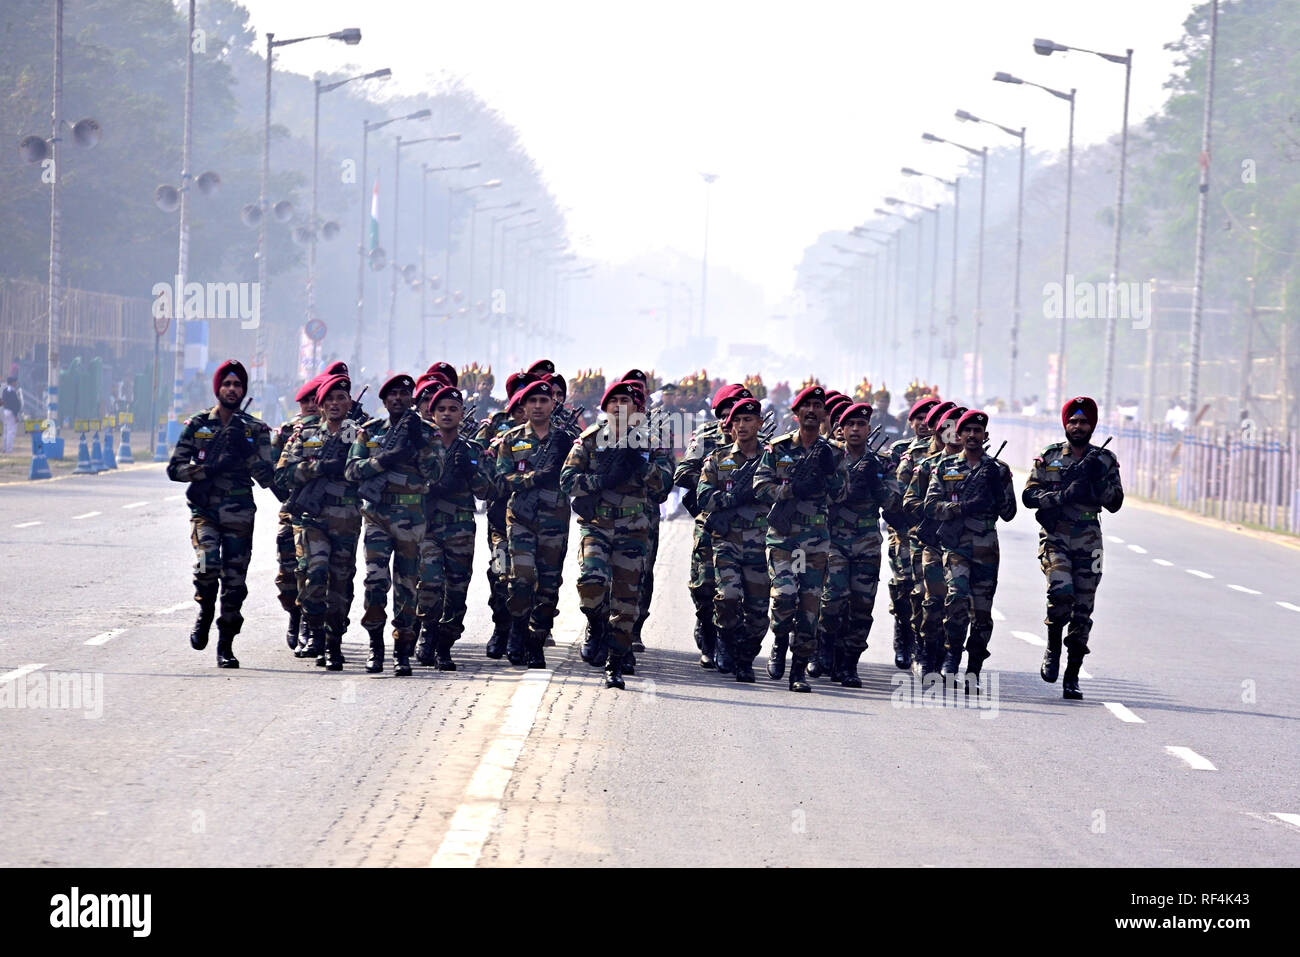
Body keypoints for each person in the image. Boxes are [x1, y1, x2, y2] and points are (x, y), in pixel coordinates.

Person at [562, 379, 673, 688]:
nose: (621, 406)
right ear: (606, 407)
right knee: (591, 583)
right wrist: (601, 481)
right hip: (596, 525)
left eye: (628, 401)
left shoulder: (652, 443)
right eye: (615, 401)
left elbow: (664, 488)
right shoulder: (590, 440)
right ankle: (595, 624)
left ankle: (615, 663)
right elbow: (568, 480)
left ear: (638, 410)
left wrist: (641, 466)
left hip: (633, 529)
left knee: (626, 602)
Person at [166, 359, 277, 668]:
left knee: (235, 583)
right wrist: (206, 469)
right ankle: (204, 609)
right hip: (205, 512)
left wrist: (246, 451)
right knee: (206, 565)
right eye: (227, 384)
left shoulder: (255, 430)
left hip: (240, 514)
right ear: (218, 389)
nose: (232, 389)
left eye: (237, 384)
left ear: (244, 390)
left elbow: (269, 477)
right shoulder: (198, 425)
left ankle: (225, 643)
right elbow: (174, 468)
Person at [1021, 396, 1124, 700]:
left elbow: (1116, 502)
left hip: (1089, 537)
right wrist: (1062, 496)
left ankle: (1072, 675)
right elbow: (1029, 495)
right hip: (1056, 534)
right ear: (1065, 424)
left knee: (1083, 608)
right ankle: (1053, 645)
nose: (1078, 427)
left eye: (1084, 422)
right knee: (1060, 590)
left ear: (1092, 425)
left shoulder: (1104, 460)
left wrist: (1094, 483)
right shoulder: (1050, 456)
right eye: (1073, 421)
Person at [344, 374, 443, 676]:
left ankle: (402, 650)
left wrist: (418, 445)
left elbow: (435, 473)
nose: (398, 399)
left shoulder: (428, 432)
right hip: (377, 518)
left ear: (412, 398)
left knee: (407, 587)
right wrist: (383, 460)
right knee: (375, 582)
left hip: (412, 520)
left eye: (404, 394)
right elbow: (351, 470)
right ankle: (376, 645)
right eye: (392, 395)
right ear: (384, 401)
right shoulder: (370, 433)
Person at [754, 385, 848, 692]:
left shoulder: (832, 453)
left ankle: (798, 670)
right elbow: (760, 485)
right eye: (805, 406)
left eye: (817, 406)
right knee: (784, 597)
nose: (811, 410)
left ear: (823, 414)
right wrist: (789, 490)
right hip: (783, 538)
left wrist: (830, 473)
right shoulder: (778, 448)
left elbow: (841, 495)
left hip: (815, 541)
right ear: (796, 414)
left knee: (810, 608)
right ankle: (780, 641)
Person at [921, 409, 1016, 688]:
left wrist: (997, 490)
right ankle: (952, 655)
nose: (973, 436)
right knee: (956, 599)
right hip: (956, 546)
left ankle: (974, 667)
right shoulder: (946, 467)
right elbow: (931, 505)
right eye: (968, 431)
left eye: (978, 431)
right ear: (959, 436)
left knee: (983, 612)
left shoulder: (998, 470)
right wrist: (960, 508)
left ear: (985, 436)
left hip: (986, 547)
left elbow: (1009, 512)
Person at [275, 374, 362, 671]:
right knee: (314, 576)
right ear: (320, 405)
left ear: (349, 402)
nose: (335, 404)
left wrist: (350, 469)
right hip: (312, 520)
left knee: (340, 584)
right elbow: (283, 474)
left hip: (346, 520)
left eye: (341, 398)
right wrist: (318, 467)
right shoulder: (305, 436)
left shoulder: (356, 434)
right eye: (329, 400)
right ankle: (314, 631)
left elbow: (368, 471)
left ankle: (333, 643)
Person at [493, 378, 575, 668]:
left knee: (549, 585)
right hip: (521, 519)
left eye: (544, 401)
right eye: (532, 401)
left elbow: (575, 476)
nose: (538, 406)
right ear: (523, 406)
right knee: (521, 578)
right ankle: (517, 628)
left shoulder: (565, 440)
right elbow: (502, 478)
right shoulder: (512, 440)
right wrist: (534, 478)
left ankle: (535, 641)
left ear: (553, 404)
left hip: (554, 520)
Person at [415, 380, 494, 670]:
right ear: (432, 414)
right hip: (427, 527)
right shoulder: (421, 448)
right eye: (441, 409)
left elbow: (487, 492)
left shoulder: (472, 450)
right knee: (430, 584)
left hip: (460, 529)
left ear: (462, 414)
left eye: (453, 409)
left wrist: (470, 469)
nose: (447, 414)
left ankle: (445, 645)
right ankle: (428, 632)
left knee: (457, 590)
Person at [673, 383, 753, 670]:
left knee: (738, 591)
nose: (736, 418)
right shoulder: (706, 437)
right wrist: (713, 485)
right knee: (704, 586)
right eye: (730, 411)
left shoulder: (760, 441)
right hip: (711, 522)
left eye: (744, 412)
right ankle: (707, 630)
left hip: (746, 527)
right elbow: (682, 473)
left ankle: (726, 641)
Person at [696, 397, 771, 683]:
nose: (741, 425)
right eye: (736, 420)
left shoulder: (774, 458)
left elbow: (785, 492)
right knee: (727, 597)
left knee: (758, 611)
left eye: (748, 420)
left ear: (759, 424)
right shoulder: (718, 458)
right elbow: (703, 496)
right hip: (726, 540)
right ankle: (725, 640)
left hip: (762, 543)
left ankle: (746, 657)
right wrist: (730, 498)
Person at [820, 401, 893, 687]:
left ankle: (849, 664)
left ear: (868, 429)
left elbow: (894, 502)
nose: (855, 429)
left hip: (866, 543)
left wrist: (876, 486)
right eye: (849, 424)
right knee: (833, 599)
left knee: (861, 607)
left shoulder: (880, 463)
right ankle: (825, 648)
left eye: (861, 424)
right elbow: (817, 495)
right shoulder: (829, 458)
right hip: (834, 540)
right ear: (840, 428)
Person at [900, 401, 965, 676]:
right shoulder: (926, 463)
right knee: (927, 598)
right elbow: (907, 498)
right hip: (926, 539)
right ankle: (925, 649)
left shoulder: (978, 466)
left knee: (959, 600)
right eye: (946, 426)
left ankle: (949, 654)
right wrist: (938, 510)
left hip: (965, 543)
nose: (953, 432)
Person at [477, 371, 535, 657]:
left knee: (527, 579)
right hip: (500, 520)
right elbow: (477, 461)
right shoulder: (495, 428)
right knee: (499, 575)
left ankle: (520, 633)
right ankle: (501, 628)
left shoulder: (550, 432)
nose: (526, 407)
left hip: (536, 522)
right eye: (520, 400)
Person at [882, 396, 941, 671]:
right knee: (904, 586)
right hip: (904, 530)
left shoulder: (948, 451)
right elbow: (893, 488)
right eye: (919, 418)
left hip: (933, 534)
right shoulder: (901, 451)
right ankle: (903, 636)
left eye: (930, 418)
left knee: (927, 592)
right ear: (911, 421)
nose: (924, 424)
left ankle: (922, 644)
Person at [270, 375, 321, 652]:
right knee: (287, 572)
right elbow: (272, 470)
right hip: (292, 511)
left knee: (315, 571)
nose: (312, 405)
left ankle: (311, 625)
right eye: (307, 400)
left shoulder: (335, 430)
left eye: (317, 400)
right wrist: (288, 496)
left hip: (325, 512)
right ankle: (294, 613)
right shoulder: (288, 431)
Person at [1, 376, 21, 453]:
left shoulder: (5, 391)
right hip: (11, 412)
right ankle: (9, 449)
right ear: (12, 383)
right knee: (11, 431)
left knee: (5, 431)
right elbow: (14, 405)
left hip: (5, 411)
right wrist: (16, 415)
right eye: (15, 382)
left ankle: (4, 448)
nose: (16, 383)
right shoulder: (12, 392)